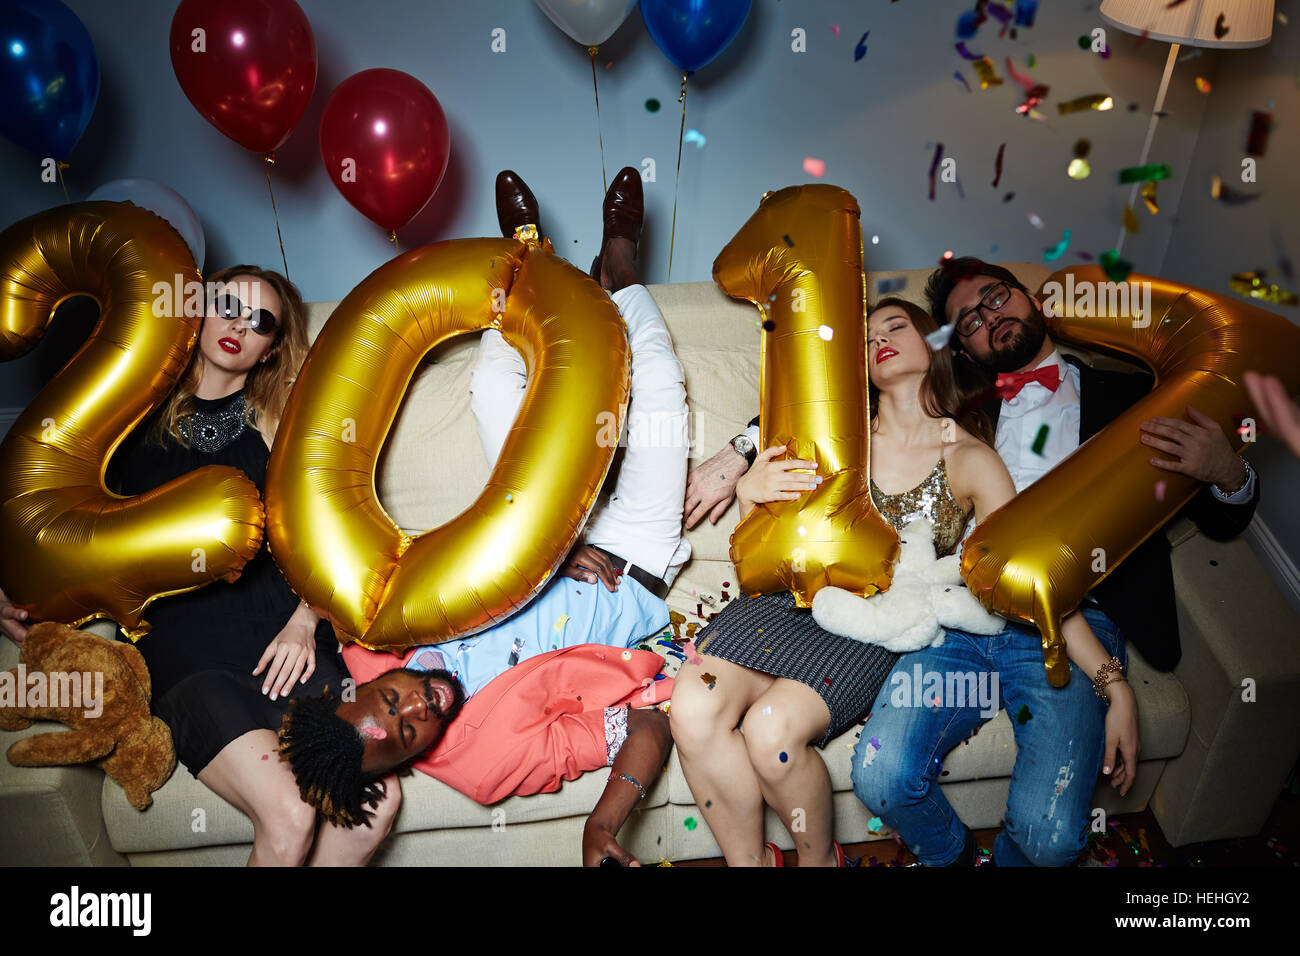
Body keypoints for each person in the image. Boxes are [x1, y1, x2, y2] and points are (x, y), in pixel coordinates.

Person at [280, 167, 689, 866]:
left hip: (542, 523)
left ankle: (531, 259)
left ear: (364, 682)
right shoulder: (486, 766)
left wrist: (552, 554)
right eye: (409, 735)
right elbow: (644, 720)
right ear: (402, 768)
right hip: (637, 568)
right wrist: (603, 822)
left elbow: (324, 563)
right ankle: (620, 259)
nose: (421, 706)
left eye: (392, 699)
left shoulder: (370, 635)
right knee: (657, 395)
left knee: (493, 385)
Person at [4, 264, 400, 866]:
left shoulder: (277, 423)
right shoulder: (124, 412)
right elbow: (51, 520)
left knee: (377, 799)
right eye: (229, 304)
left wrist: (304, 618)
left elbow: (332, 536)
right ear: (196, 306)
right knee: (291, 812)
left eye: (261, 321)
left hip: (286, 642)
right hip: (191, 655)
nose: (241, 324)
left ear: (271, 350)